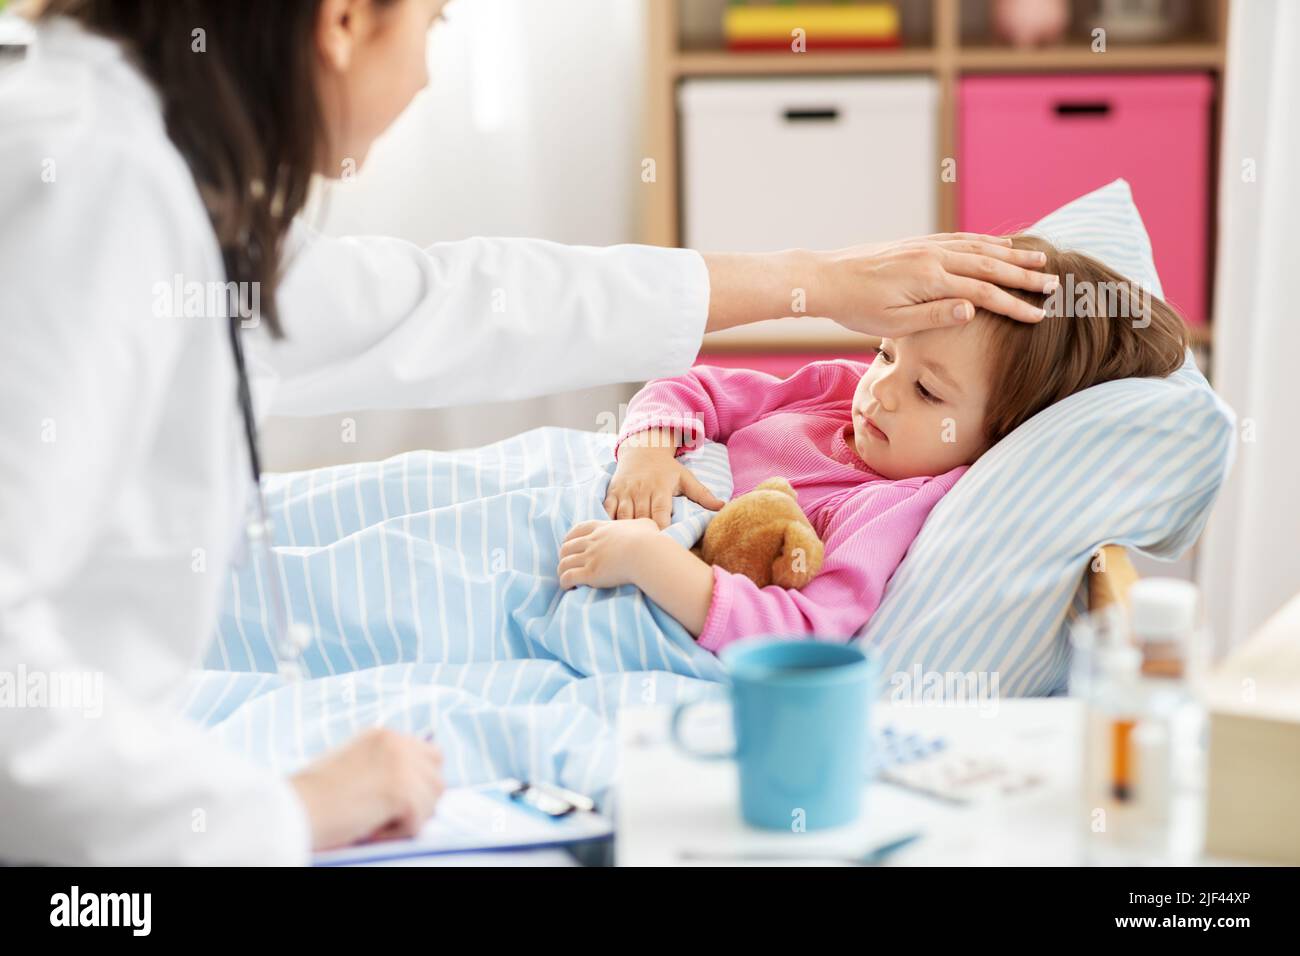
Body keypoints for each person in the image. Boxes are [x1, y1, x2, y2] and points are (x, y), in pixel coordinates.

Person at [0, 0, 1054, 864]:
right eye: (436, 23)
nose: (421, 74)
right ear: (341, 22)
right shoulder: (95, 197)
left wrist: (815, 280)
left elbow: (453, 301)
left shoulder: (137, 170)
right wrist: (286, 812)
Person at [558, 234, 1189, 650]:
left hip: (622, 577)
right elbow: (693, 388)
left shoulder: (889, 508)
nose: (881, 389)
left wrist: (651, 561)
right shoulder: (839, 390)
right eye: (886, 352)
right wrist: (648, 449)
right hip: (590, 498)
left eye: (929, 393)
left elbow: (804, 637)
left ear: (1001, 439)